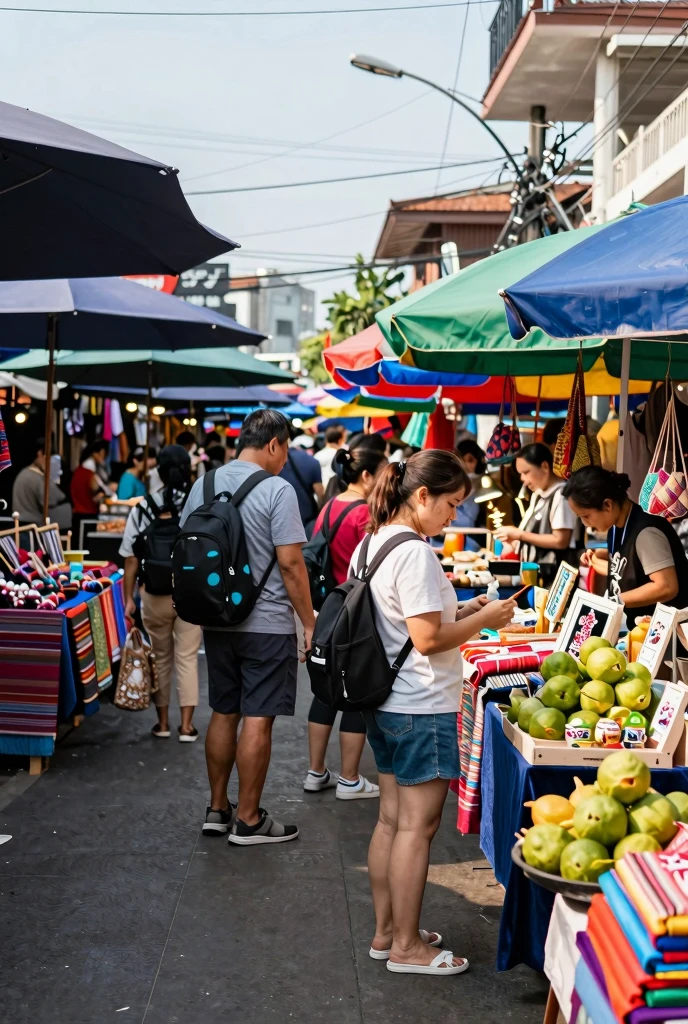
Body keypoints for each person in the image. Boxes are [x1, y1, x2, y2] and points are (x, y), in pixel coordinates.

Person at [356, 451, 516, 976]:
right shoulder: (416, 553)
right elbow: (426, 640)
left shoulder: (374, 540)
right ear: (422, 496)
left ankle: (387, 933)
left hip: (386, 703)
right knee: (416, 830)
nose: (454, 516)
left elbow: (410, 623)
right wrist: (487, 616)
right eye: (451, 504)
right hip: (420, 705)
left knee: (390, 821)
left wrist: (462, 613)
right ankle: (406, 947)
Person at [180, 409, 315, 846]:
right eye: (286, 449)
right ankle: (250, 819)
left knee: (223, 710)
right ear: (274, 443)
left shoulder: (201, 485)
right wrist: (309, 622)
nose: (285, 459)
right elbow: (292, 565)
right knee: (259, 717)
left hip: (217, 621)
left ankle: (218, 809)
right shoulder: (278, 489)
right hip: (268, 625)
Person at [304, 444, 388, 800]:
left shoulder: (329, 507)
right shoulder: (363, 514)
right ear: (367, 475)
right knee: (355, 692)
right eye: (382, 471)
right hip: (355, 615)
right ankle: (350, 780)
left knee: (325, 690)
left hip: (327, 609)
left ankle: (315, 771)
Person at [120, 445, 201, 741]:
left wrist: (129, 598)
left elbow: (130, 557)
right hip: (190, 594)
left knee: (162, 657)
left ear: (158, 472)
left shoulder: (143, 507)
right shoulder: (197, 505)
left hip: (153, 593)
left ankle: (164, 723)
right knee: (188, 658)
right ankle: (188, 727)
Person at [564, 466, 688, 620]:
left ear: (607, 505)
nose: (585, 523)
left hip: (665, 633)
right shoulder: (616, 528)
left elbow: (666, 586)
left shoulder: (646, 532)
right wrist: (598, 557)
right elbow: (629, 566)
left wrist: (612, 601)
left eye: (585, 516)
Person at [494, 443, 579, 576]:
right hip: (535, 574)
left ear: (545, 466)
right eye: (521, 474)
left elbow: (560, 541)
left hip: (554, 576)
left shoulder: (561, 495)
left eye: (526, 472)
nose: (524, 480)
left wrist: (520, 535)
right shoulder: (538, 495)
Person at [11, 438, 71, 528]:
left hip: (23, 525)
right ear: (40, 454)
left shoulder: (23, 474)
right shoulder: (37, 478)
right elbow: (52, 500)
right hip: (33, 527)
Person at [279, 433, 324, 536]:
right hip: (307, 521)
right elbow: (320, 495)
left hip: (282, 520)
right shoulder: (313, 462)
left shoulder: (276, 461)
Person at [70, 440, 109, 537]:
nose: (103, 457)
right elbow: (95, 490)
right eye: (102, 454)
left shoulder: (79, 471)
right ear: (95, 454)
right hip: (87, 514)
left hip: (78, 515)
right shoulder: (89, 473)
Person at [453, 440, 487, 549]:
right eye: (462, 460)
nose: (466, 465)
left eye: (470, 460)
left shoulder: (483, 484)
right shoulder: (448, 483)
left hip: (469, 539)